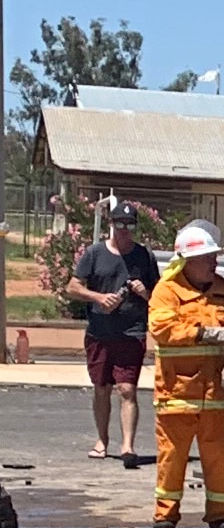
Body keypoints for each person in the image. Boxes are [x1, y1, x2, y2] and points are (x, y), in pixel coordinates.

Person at [148, 222, 224, 528]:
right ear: (189, 260)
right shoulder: (167, 291)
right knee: (172, 458)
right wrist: (204, 333)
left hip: (217, 395)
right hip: (176, 394)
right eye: (208, 257)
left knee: (219, 459)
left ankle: (220, 515)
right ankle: (165, 516)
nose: (214, 262)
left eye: (214, 256)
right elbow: (162, 329)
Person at [65, 197, 159, 463]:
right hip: (100, 332)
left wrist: (144, 292)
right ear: (111, 224)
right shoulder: (95, 253)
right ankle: (102, 440)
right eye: (120, 224)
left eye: (130, 224)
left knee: (127, 389)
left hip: (132, 332)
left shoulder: (144, 256)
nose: (124, 229)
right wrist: (99, 297)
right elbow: (72, 287)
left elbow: (159, 297)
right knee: (102, 387)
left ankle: (128, 446)